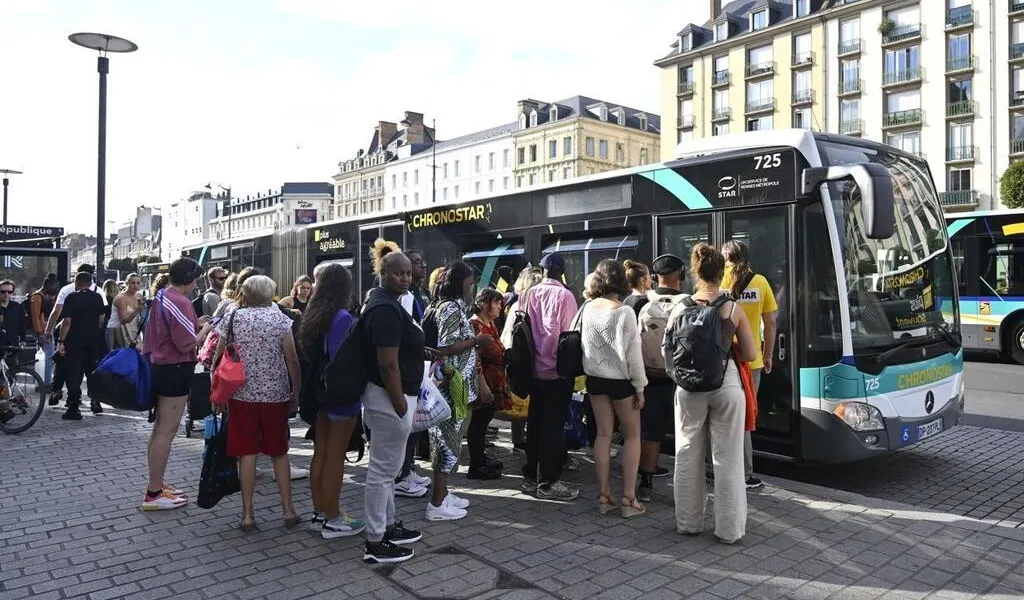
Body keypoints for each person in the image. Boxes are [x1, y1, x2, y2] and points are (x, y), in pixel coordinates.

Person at [672, 244, 757, 544]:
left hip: (688, 388)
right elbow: (749, 352)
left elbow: (667, 352)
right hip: (726, 384)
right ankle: (730, 531)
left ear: (695, 272)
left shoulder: (680, 308)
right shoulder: (732, 308)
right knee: (728, 459)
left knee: (687, 454)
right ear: (723, 273)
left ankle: (688, 523)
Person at [212, 275, 302, 531]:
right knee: (279, 452)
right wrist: (297, 389)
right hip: (275, 395)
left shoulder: (233, 317)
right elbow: (292, 359)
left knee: (247, 453)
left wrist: (216, 391)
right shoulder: (279, 319)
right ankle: (288, 511)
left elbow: (218, 356)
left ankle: (248, 514)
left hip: (242, 395)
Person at [360, 239, 424, 564]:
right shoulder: (384, 308)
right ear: (383, 273)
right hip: (388, 400)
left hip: (390, 398)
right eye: (398, 273)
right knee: (383, 472)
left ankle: (387, 525)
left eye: (408, 273)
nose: (405, 278)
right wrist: (400, 404)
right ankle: (375, 541)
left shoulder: (388, 302)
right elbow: (387, 364)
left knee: (388, 470)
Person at [300, 263, 365, 538]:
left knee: (322, 454)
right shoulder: (342, 318)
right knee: (336, 458)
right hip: (341, 395)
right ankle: (334, 517)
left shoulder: (314, 315)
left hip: (320, 395)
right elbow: (343, 359)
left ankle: (319, 513)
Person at [580, 260, 648, 518]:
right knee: (632, 436)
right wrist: (640, 388)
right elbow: (633, 356)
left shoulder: (587, 307)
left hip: (595, 379)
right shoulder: (624, 312)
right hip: (621, 381)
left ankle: (603, 497)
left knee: (603, 435)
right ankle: (629, 500)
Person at [426, 261, 491, 520]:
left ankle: (443, 493)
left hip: (458, 384)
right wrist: (477, 341)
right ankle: (437, 502)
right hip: (453, 385)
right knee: (447, 438)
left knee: (452, 437)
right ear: (460, 281)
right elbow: (443, 348)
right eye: (470, 279)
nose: (473, 284)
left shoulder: (453, 305)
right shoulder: (450, 308)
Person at [141, 258, 203, 511]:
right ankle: (154, 494)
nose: (197, 283)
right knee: (167, 431)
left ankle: (156, 484)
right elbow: (186, 344)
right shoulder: (181, 301)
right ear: (189, 280)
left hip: (160, 366)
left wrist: (195, 325)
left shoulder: (162, 295)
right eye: (196, 278)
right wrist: (206, 329)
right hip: (175, 368)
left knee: (159, 430)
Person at [521, 252, 580, 501]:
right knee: (553, 428)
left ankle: (530, 478)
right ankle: (548, 481)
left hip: (533, 370)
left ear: (542, 270)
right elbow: (570, 335)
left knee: (534, 424)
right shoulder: (566, 296)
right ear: (562, 271)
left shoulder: (528, 294)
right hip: (558, 371)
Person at [721, 240, 777, 490]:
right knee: (744, 417)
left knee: (721, 414)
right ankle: (744, 473)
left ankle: (714, 469)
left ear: (726, 258)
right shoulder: (761, 282)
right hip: (751, 360)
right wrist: (768, 355)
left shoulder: (719, 280)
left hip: (724, 359)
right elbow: (772, 323)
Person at [636, 254, 687, 502]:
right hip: (681, 381)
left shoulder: (645, 307)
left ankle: (645, 484)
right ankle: (684, 487)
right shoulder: (688, 305)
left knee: (651, 432)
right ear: (682, 275)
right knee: (685, 434)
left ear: (655, 277)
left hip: (651, 379)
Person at [43, 264, 107, 406]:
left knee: (71, 369)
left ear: (76, 281)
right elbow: (102, 317)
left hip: (73, 338)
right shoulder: (98, 294)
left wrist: (59, 338)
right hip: (92, 339)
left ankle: (70, 399)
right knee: (91, 369)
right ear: (91, 282)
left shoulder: (69, 293)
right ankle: (95, 399)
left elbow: (63, 318)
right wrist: (95, 330)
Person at [468, 288, 509, 480]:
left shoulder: (490, 323)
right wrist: (482, 384)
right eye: (496, 303)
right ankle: (475, 464)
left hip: (495, 380)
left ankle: (480, 458)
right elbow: (474, 357)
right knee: (478, 422)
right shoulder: (475, 325)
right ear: (484, 304)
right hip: (484, 380)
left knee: (484, 422)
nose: (499, 307)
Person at [28, 274, 59, 391]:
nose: (55, 288)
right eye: (54, 286)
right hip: (43, 332)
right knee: (46, 358)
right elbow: (35, 317)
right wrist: (39, 333)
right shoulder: (37, 297)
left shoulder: (43, 297)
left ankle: (45, 382)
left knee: (47, 358)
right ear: (47, 285)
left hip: (46, 331)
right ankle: (44, 383)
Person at [108, 274, 143, 350]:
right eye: (133, 283)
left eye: (138, 283)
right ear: (127, 283)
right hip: (119, 330)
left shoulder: (138, 296)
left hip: (133, 330)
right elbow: (123, 320)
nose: (135, 286)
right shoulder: (121, 298)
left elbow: (140, 316)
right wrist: (137, 310)